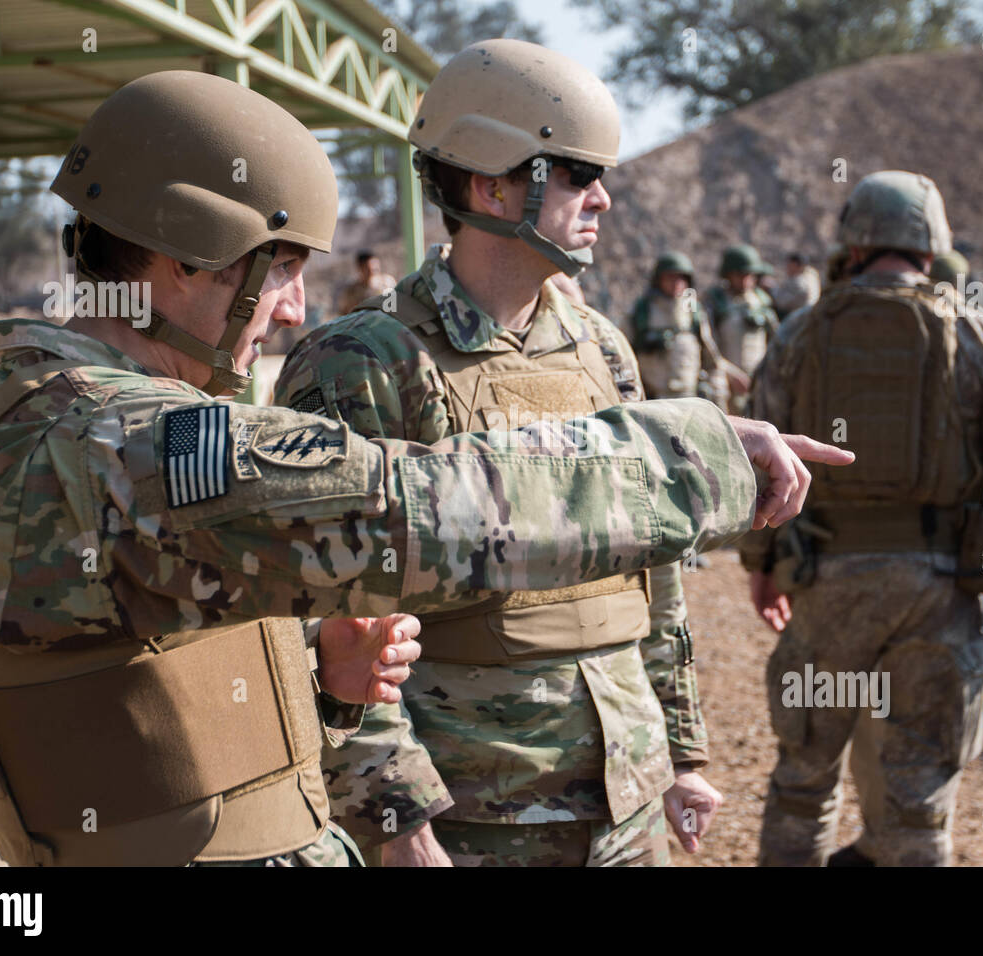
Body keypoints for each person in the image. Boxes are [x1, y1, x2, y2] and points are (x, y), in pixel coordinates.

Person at [0, 70, 848, 869]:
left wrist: (320, 684)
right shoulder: (111, 447)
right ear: (186, 257)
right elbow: (422, 509)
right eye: (279, 271)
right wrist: (698, 452)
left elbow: (150, 706)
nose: (291, 311)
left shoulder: (65, 426)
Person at [277, 39, 740, 867]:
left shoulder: (603, 349)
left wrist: (681, 752)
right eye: (573, 173)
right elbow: (329, 615)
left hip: (624, 799)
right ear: (492, 183)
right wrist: (396, 819)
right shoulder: (361, 360)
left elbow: (656, 570)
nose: (601, 198)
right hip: (467, 814)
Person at [742, 170, 983, 867]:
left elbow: (753, 466)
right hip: (941, 594)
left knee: (803, 786)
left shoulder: (799, 333)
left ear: (854, 243)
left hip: (826, 584)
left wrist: (761, 566)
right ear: (934, 244)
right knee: (919, 802)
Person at [630, 251, 746, 406]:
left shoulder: (694, 312)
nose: (676, 283)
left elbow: (710, 358)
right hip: (653, 399)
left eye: (681, 278)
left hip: (689, 398)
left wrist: (719, 391)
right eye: (670, 277)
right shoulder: (642, 312)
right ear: (659, 280)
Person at [706, 243, 780, 411]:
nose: (746, 280)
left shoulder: (761, 301)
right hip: (726, 380)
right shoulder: (716, 303)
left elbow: (776, 341)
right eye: (740, 275)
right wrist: (731, 374)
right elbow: (710, 348)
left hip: (759, 379)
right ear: (728, 275)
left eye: (750, 275)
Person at [335, 249, 397, 316]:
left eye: (375, 268)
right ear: (360, 268)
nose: (372, 271)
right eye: (369, 269)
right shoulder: (352, 291)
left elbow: (394, 308)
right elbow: (344, 312)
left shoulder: (387, 283)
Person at [771, 252, 821, 318]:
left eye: (789, 265)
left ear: (796, 265)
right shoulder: (811, 277)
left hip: (797, 318)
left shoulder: (799, 282)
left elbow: (783, 303)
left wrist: (772, 289)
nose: (786, 267)